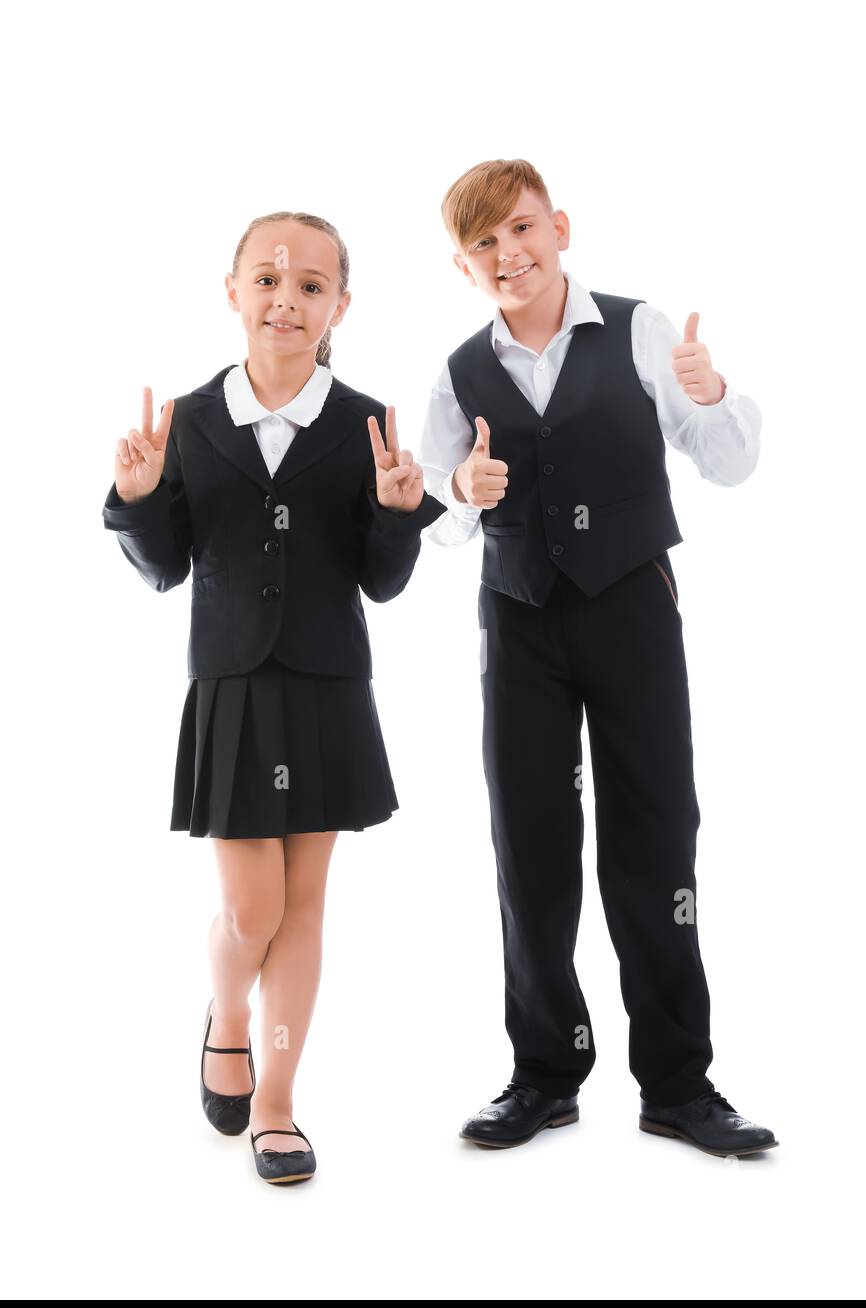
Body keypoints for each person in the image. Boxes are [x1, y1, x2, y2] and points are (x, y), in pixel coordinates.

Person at [418, 158, 778, 1159]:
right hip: (520, 617)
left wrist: (709, 398)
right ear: (463, 267)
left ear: (559, 226)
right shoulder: (456, 371)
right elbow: (430, 516)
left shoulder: (639, 330)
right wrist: (462, 488)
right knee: (528, 847)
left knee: (654, 836)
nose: (508, 254)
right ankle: (543, 1073)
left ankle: (676, 1082)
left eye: (521, 229)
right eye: (483, 244)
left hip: (630, 607)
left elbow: (730, 463)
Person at [102, 211, 446, 1184]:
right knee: (251, 911)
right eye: (266, 279)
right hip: (233, 687)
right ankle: (228, 1014)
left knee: (305, 907)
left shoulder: (364, 422)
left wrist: (394, 516)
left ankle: (281, 1103)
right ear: (232, 291)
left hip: (329, 683)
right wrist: (136, 497)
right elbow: (164, 568)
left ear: (339, 304)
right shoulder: (189, 420)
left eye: (307, 286)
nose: (284, 301)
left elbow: (381, 583)